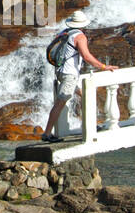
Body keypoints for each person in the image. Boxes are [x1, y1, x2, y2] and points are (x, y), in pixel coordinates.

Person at [42, 12, 118, 143]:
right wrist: (104, 67)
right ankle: (47, 134)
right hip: (69, 74)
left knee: (85, 96)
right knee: (60, 103)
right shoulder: (80, 36)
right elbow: (87, 57)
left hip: (61, 71)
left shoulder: (65, 33)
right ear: (83, 24)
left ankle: (90, 126)